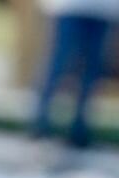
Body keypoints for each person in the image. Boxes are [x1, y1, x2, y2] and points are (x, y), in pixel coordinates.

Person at [34, 0, 118, 147]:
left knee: (91, 70)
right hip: (70, 7)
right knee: (58, 64)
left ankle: (79, 129)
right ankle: (40, 123)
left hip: (103, 9)